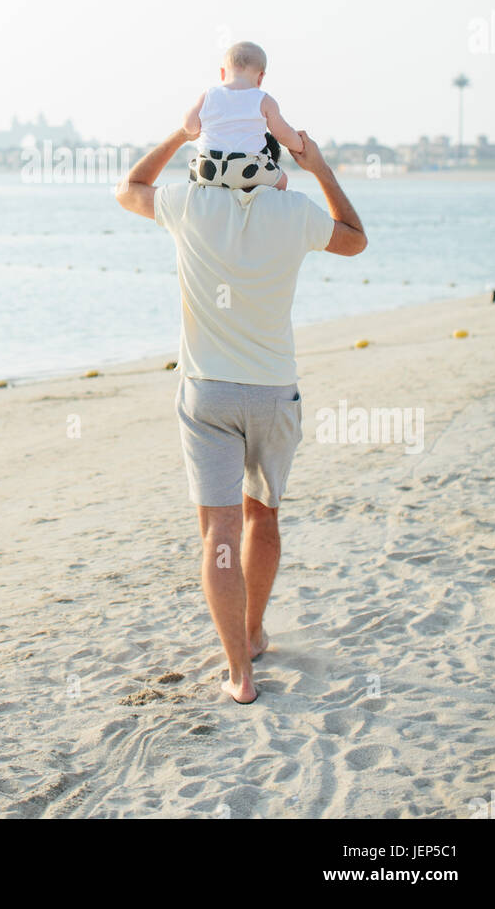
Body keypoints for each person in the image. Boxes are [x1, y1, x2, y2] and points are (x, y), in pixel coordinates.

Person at [115, 126, 367, 704]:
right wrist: (319, 167)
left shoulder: (187, 205)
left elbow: (129, 188)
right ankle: (253, 632)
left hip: (209, 395)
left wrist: (181, 132)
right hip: (273, 392)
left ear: (208, 162)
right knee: (263, 517)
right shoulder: (294, 210)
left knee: (219, 536)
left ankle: (239, 674)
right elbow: (355, 239)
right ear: (272, 161)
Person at [183, 39, 302, 191]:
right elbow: (283, 133)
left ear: (222, 72)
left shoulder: (208, 95)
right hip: (248, 168)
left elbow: (189, 126)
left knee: (195, 180)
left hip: (208, 168)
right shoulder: (263, 100)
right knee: (282, 180)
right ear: (260, 77)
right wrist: (299, 145)